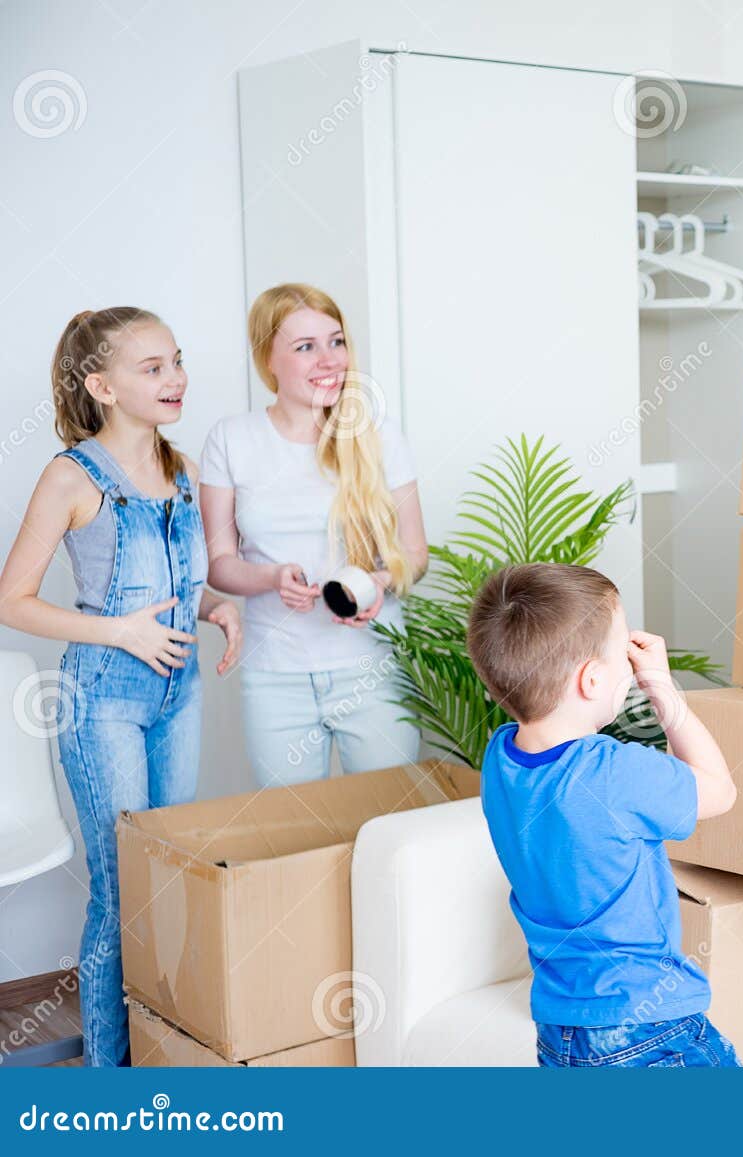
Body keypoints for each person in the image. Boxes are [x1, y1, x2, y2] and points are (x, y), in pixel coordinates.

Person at [0, 307, 241, 1066]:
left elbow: (180, 584)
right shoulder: (70, 476)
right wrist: (123, 632)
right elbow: (12, 598)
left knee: (167, 884)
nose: (176, 379)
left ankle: (163, 1058)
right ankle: (114, 1084)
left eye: (176, 361)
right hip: (102, 700)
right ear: (100, 385)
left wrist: (218, 605)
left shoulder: (183, 471)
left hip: (179, 696)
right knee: (121, 894)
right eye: (153, 368)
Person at [467, 562, 741, 1067]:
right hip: (647, 1025)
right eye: (622, 655)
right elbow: (720, 791)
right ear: (592, 679)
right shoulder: (612, 773)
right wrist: (660, 686)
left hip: (560, 1029)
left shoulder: (500, 762)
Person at [199, 284, 428, 786]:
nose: (329, 360)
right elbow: (218, 562)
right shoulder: (232, 439)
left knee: (384, 826)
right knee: (296, 838)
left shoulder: (381, 435)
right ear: (268, 358)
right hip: (276, 676)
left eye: (336, 342)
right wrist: (271, 577)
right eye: (305, 347)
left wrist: (380, 583)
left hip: (374, 669)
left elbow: (415, 553)